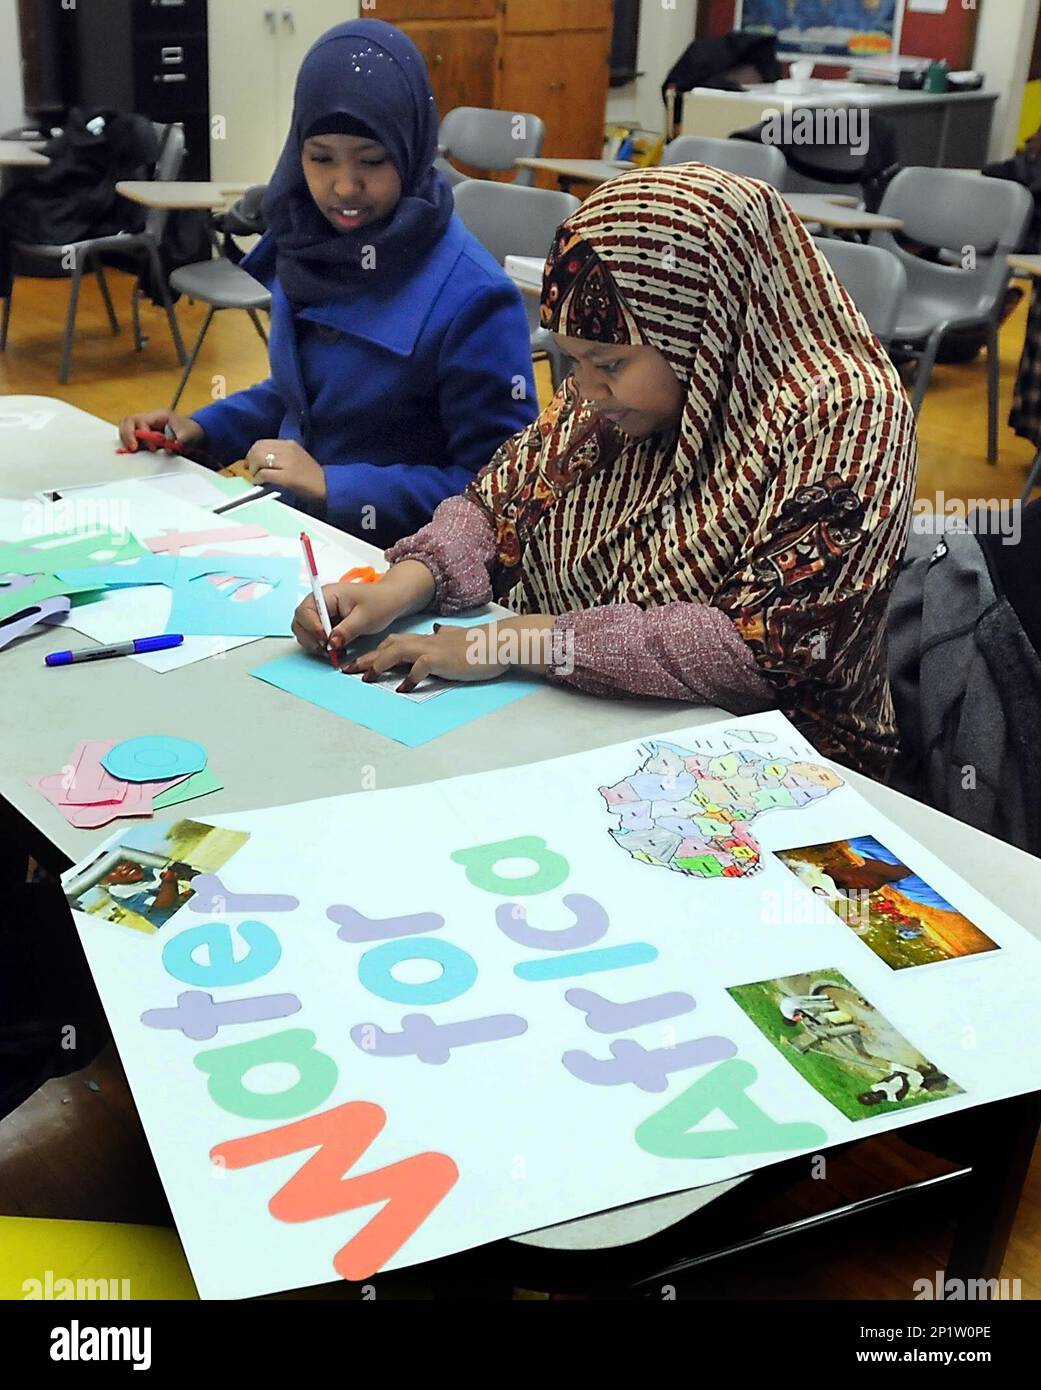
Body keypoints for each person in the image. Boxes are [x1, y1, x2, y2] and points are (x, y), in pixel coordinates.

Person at [294, 164, 918, 778]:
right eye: (573, 361)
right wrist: (400, 586)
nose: (584, 390)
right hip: (583, 721)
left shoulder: (848, 417)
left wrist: (513, 642)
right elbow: (496, 505)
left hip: (771, 768)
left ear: (701, 328)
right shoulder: (615, 394)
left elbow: (752, 651)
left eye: (609, 363)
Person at [119, 19, 536, 547]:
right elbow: (301, 399)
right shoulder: (305, 244)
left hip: (398, 570)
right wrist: (204, 429)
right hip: (293, 539)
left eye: (372, 160)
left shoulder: (475, 297)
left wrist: (334, 485)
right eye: (320, 158)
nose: (344, 185)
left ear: (411, 149)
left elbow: (501, 492)